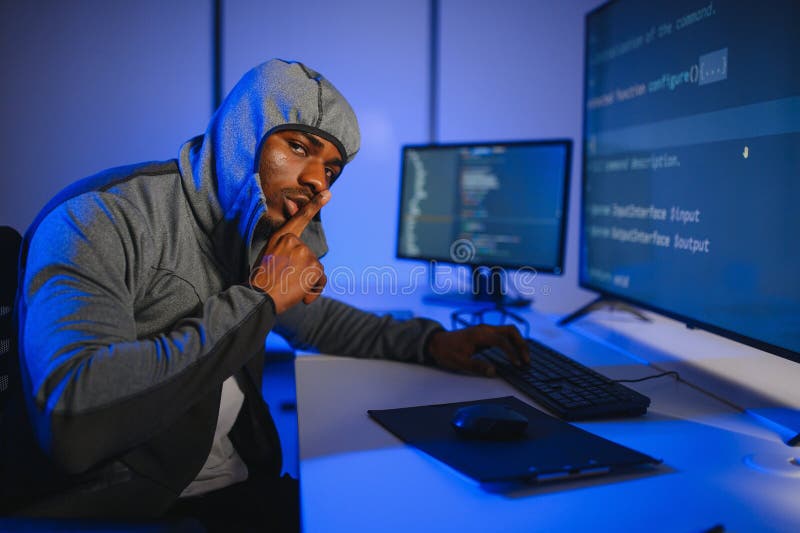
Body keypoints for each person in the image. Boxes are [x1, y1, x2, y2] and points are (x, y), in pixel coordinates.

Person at [0, 59, 528, 530]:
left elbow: (313, 323)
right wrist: (259, 299)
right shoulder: (100, 219)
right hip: (134, 508)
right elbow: (73, 418)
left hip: (235, 485)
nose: (317, 183)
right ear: (241, 138)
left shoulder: (245, 233)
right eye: (297, 147)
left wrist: (434, 343)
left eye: (332, 169)